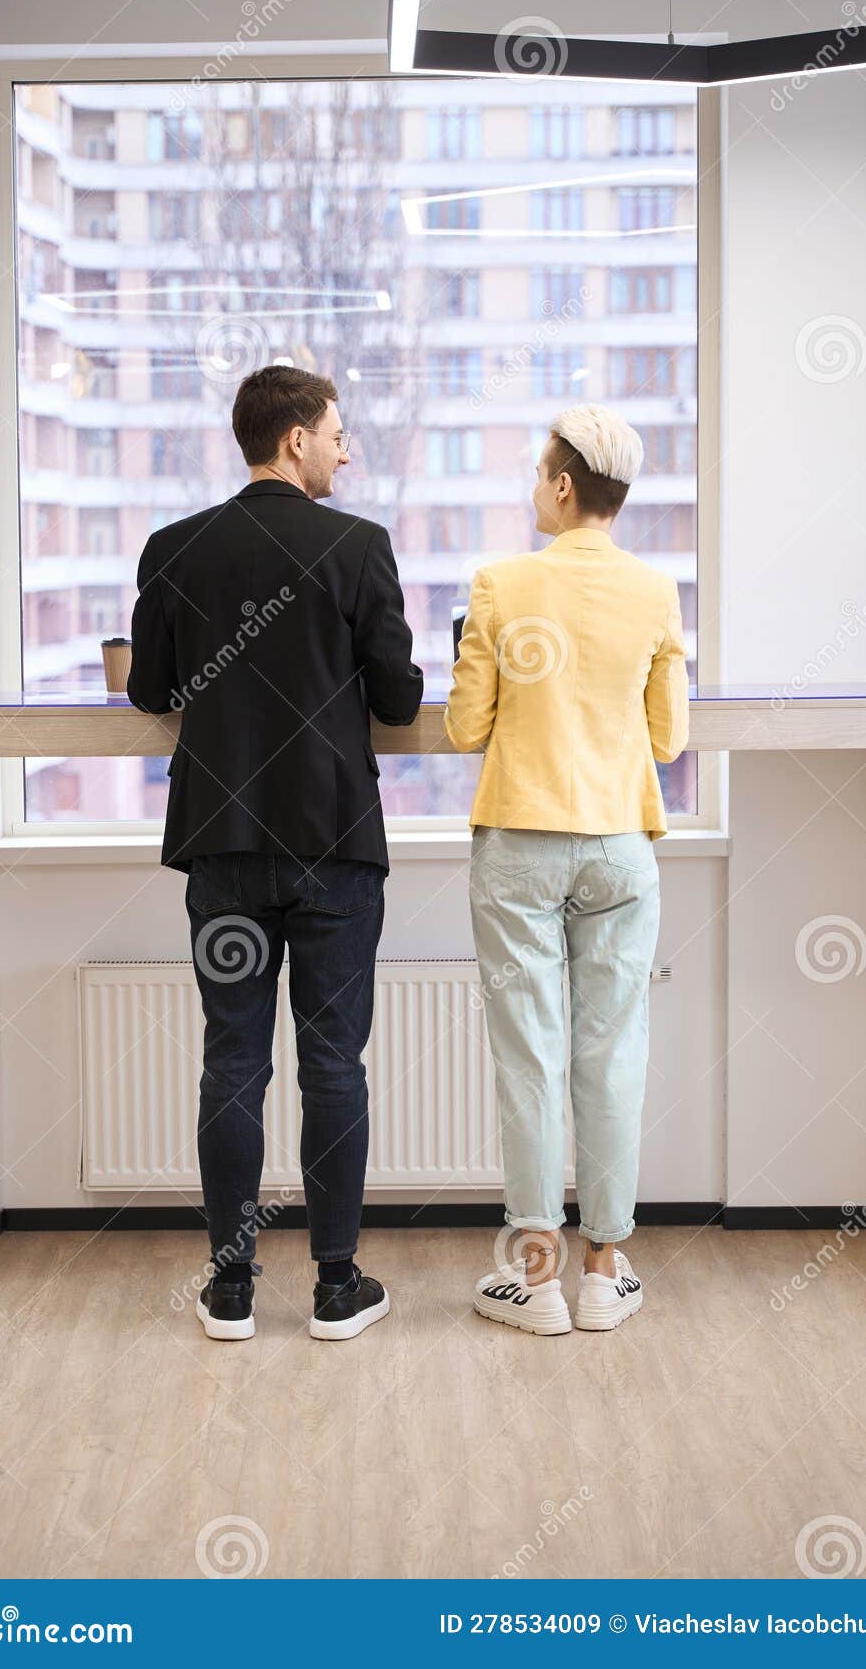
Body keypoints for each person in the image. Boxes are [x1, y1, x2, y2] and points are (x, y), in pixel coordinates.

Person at [126, 365, 423, 1343]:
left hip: (222, 850)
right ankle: (336, 1289)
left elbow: (151, 691)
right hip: (334, 850)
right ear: (295, 438)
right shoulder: (357, 548)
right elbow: (399, 700)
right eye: (338, 432)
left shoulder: (175, 550)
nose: (347, 448)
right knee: (333, 1063)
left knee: (232, 1065)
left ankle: (230, 1290)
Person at [444, 403, 689, 1336]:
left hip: (520, 842)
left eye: (536, 472)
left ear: (560, 485)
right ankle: (604, 1273)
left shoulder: (501, 584)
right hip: (621, 846)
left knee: (530, 1057)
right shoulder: (657, 592)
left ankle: (536, 1282)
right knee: (612, 1052)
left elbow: (467, 728)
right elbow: (668, 737)